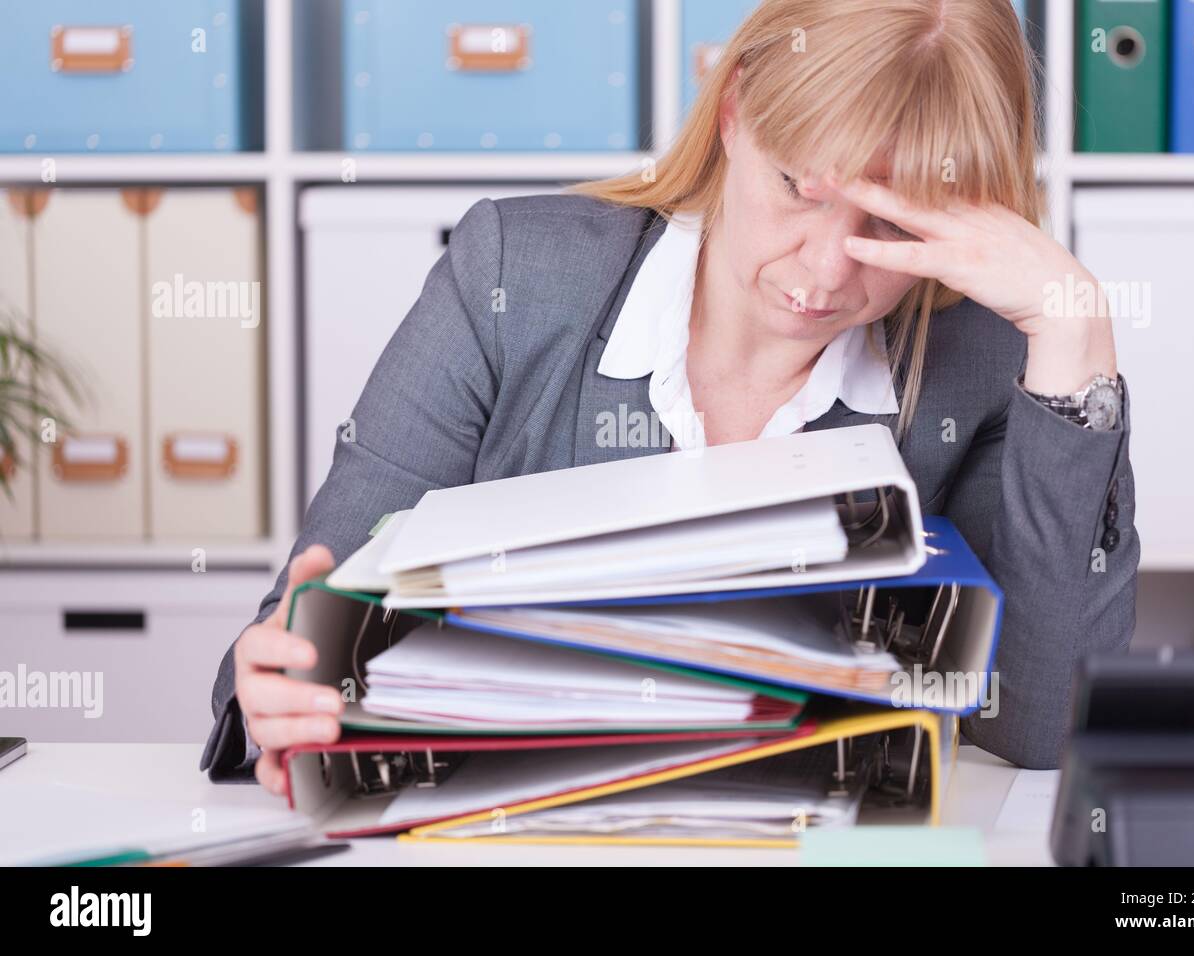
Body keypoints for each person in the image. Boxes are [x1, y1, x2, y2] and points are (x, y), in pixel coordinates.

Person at [203, 0, 1138, 791]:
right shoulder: (512, 278)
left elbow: (1041, 723)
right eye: (798, 190)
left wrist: (1074, 337)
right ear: (734, 111)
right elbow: (292, 642)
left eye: (889, 228)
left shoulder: (970, 365)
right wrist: (277, 690)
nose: (823, 272)